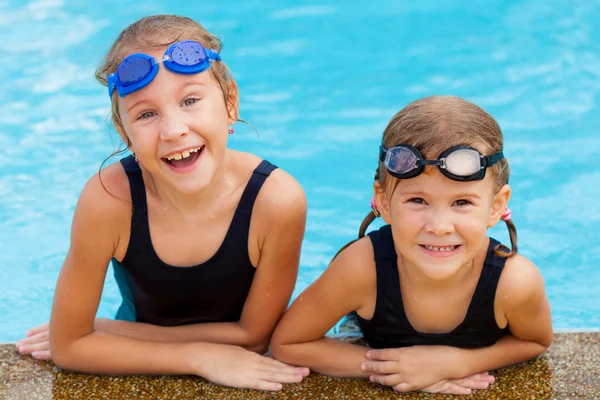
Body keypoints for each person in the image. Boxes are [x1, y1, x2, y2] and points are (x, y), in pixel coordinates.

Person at [16, 14, 309, 392]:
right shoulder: (109, 200)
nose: (173, 131)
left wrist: (108, 331)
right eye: (147, 114)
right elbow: (69, 347)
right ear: (125, 134)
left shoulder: (276, 200)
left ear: (230, 102)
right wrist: (197, 358)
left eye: (190, 100)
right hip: (139, 340)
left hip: (131, 337)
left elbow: (254, 337)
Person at [270, 96, 553, 395]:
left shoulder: (515, 282)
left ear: (496, 206)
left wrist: (459, 363)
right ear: (383, 201)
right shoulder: (361, 269)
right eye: (418, 200)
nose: (439, 227)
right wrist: (399, 369)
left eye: (462, 202)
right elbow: (288, 343)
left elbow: (535, 341)